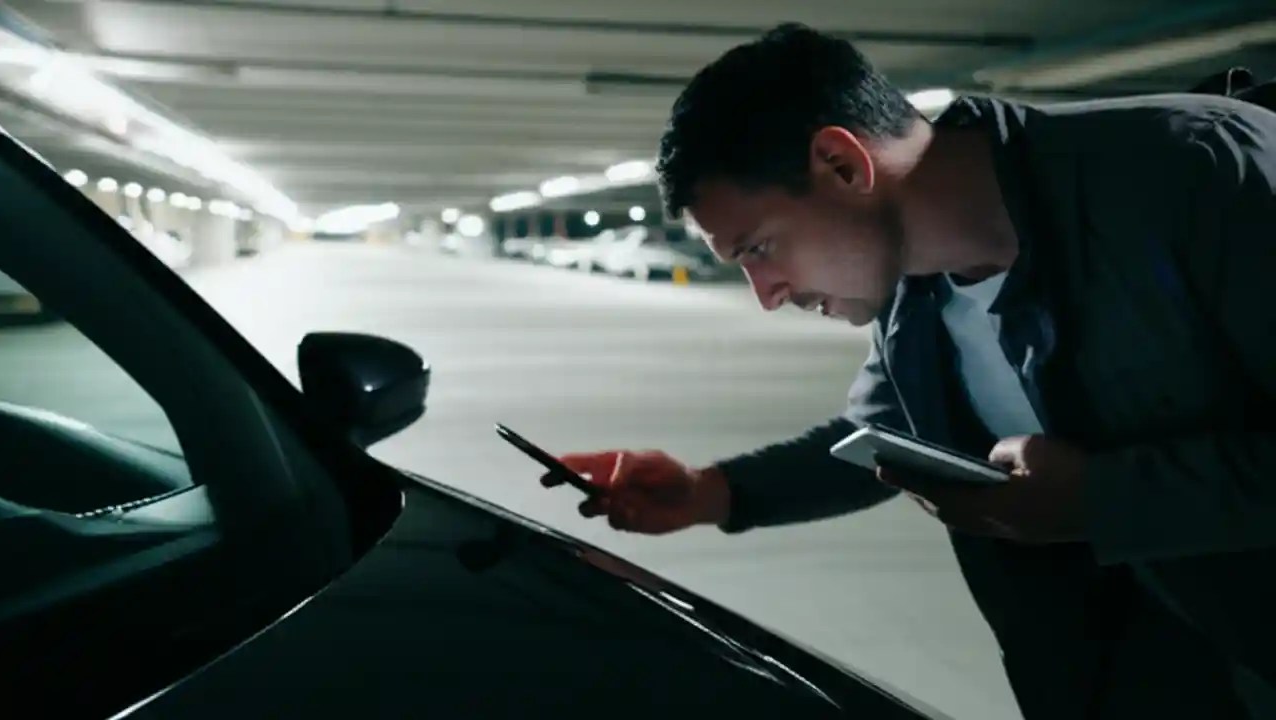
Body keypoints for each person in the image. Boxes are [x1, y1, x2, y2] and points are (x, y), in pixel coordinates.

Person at [542, 23, 1276, 720]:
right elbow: (880, 441)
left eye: (758, 248)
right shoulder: (912, 300)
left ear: (842, 164)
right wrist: (711, 492)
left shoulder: (1193, 170)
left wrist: (1106, 500)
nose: (766, 296)